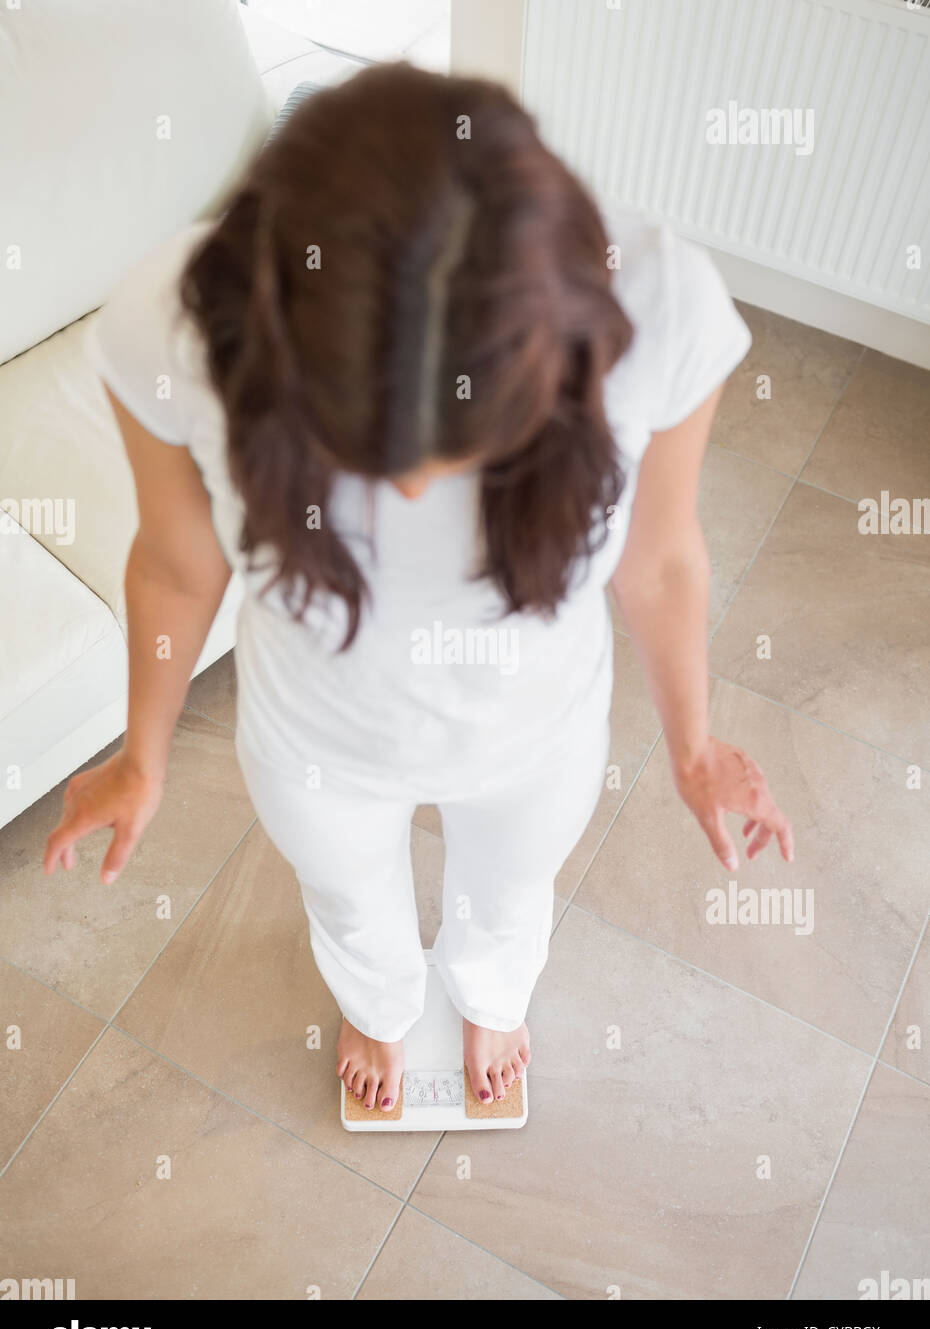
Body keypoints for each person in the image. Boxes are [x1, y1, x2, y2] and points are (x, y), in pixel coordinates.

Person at [44, 62, 793, 1114]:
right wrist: (142, 755)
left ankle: (494, 992)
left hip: (537, 734)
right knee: (351, 903)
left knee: (508, 897)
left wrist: (696, 745)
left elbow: (660, 552)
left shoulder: (659, 306)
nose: (403, 492)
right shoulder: (176, 323)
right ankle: (383, 1006)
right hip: (317, 741)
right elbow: (176, 560)